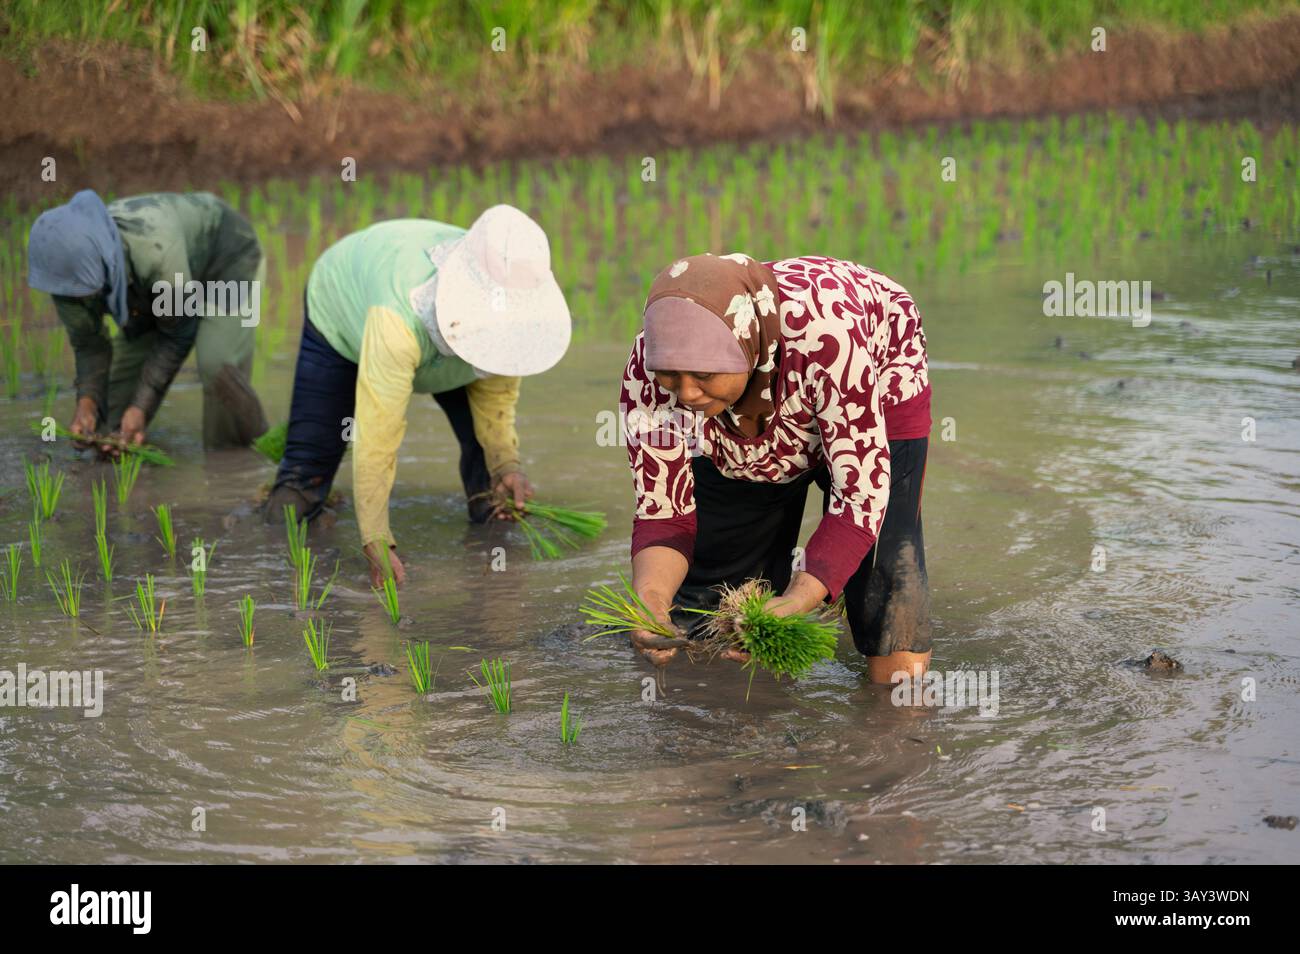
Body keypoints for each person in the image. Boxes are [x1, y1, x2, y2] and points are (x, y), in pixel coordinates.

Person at [619, 252, 932, 684]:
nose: (687, 393)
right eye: (672, 376)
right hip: (747, 413)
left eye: (704, 375)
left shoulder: (828, 342)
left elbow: (860, 499)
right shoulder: (650, 369)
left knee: (885, 577)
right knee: (711, 605)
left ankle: (894, 720)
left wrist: (799, 597)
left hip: (873, 372)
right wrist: (651, 599)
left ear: (746, 352)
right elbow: (663, 510)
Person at [265, 205, 571, 588]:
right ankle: (274, 566)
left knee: (492, 494)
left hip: (451, 340)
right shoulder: (397, 319)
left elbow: (497, 398)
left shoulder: (507, 287)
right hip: (342, 313)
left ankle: (494, 580)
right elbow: (378, 435)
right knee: (302, 484)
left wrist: (506, 465)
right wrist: (375, 538)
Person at [27, 190, 268, 451]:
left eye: (87, 289)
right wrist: (87, 402)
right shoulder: (61, 278)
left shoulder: (155, 251)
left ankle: (243, 459)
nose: (81, 298)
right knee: (112, 434)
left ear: (106, 263)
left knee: (217, 365)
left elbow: (178, 333)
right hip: (148, 290)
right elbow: (88, 344)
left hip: (227, 261)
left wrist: (142, 407)